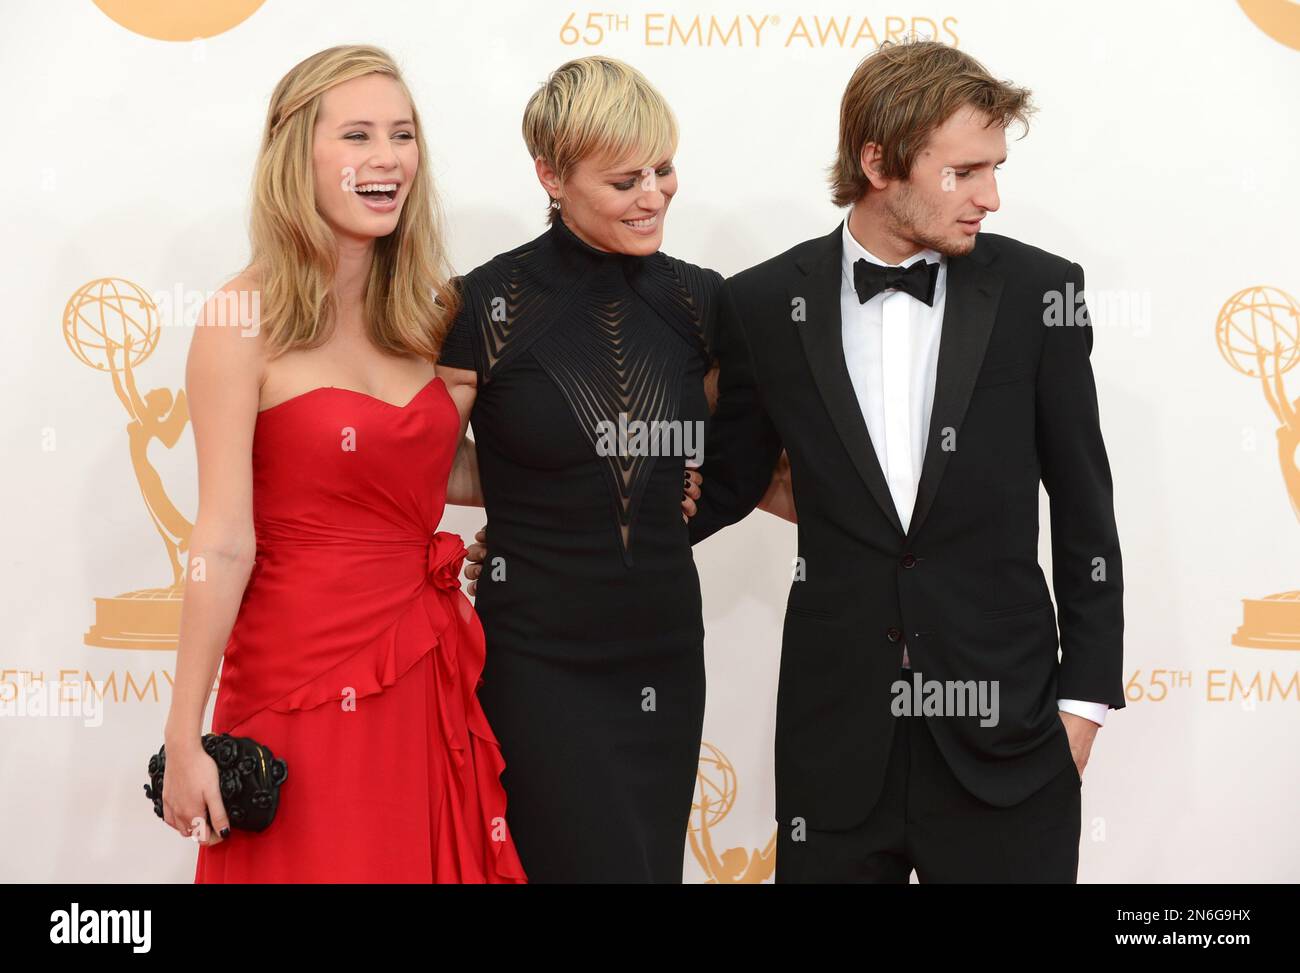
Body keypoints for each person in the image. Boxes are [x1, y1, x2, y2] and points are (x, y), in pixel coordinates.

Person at [688, 38, 1125, 882]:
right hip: (837, 744)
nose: (991, 197)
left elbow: (1085, 506)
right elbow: (728, 484)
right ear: (877, 160)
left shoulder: (1041, 293)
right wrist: (565, 537)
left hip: (1010, 738)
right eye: (965, 172)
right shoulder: (761, 304)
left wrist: (1084, 704)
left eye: (995, 168)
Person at [161, 45, 525, 883]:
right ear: (299, 157)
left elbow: (444, 473)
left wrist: (627, 475)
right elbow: (220, 541)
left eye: (402, 135)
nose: (386, 158)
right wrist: (183, 736)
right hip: (295, 679)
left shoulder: (436, 314)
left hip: (425, 671)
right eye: (357, 135)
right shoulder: (242, 317)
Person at [438, 56, 788, 882]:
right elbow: (427, 468)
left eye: (664, 169)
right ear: (550, 176)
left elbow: (745, 455)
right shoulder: (483, 305)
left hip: (663, 646)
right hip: (537, 656)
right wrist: (530, 497)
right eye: (625, 178)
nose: (655, 194)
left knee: (646, 864)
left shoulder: (701, 301)